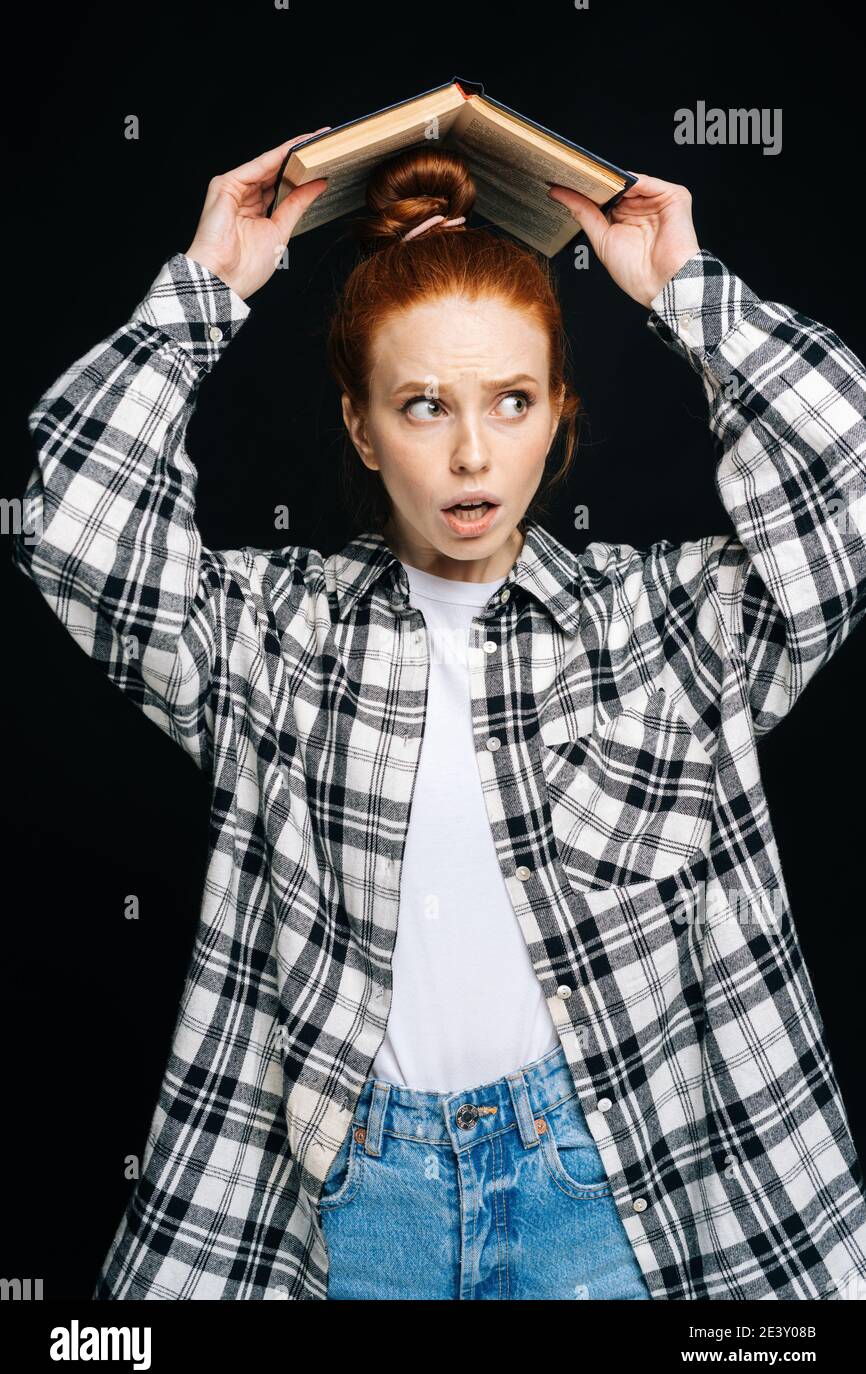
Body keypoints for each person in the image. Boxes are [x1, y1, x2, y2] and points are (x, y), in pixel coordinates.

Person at [13, 131, 866, 1301]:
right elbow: (70, 523)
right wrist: (204, 290)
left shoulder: (668, 624)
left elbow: (846, 479)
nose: (472, 453)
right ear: (361, 428)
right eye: (422, 406)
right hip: (358, 1201)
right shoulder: (273, 633)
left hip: (607, 1192)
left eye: (511, 400)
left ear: (558, 411)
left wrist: (687, 291)